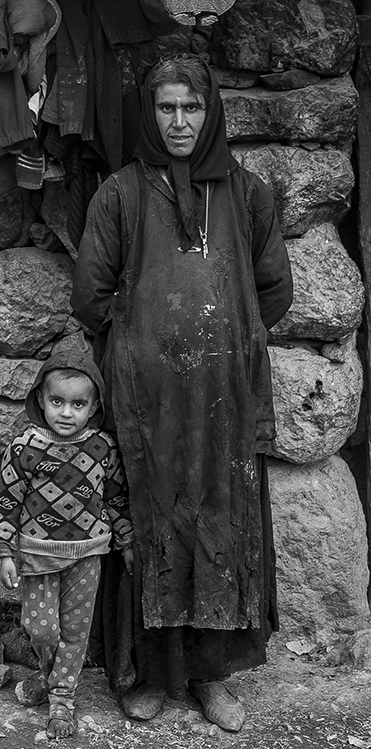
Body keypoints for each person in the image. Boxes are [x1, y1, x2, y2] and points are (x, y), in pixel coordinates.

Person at [70, 54, 293, 732]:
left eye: (190, 108)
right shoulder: (121, 195)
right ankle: (148, 678)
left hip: (225, 404)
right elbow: (90, 293)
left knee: (221, 529)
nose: (178, 121)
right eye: (166, 108)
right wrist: (140, 339)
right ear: (151, 113)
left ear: (210, 112)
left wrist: (229, 336)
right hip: (148, 406)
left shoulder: (248, 194)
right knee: (151, 526)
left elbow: (274, 291)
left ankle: (211, 677)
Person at [0, 348, 133, 739]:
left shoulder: (103, 449)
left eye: (78, 404)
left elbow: (116, 498)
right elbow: (6, 502)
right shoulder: (24, 448)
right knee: (41, 629)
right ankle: (49, 676)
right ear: (41, 399)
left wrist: (128, 539)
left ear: (94, 406)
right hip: (38, 555)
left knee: (75, 632)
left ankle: (61, 701)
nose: (66, 413)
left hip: (88, 555)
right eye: (57, 402)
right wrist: (5, 552)